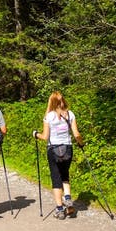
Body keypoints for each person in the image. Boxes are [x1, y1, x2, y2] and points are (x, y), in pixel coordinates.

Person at [33, 91, 84, 219]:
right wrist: (81, 143)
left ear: (51, 102)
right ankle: (67, 198)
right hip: (67, 148)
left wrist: (35, 134)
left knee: (56, 179)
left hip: (53, 149)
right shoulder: (70, 114)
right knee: (65, 176)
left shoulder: (49, 116)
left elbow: (45, 137)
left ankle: (60, 209)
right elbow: (76, 134)